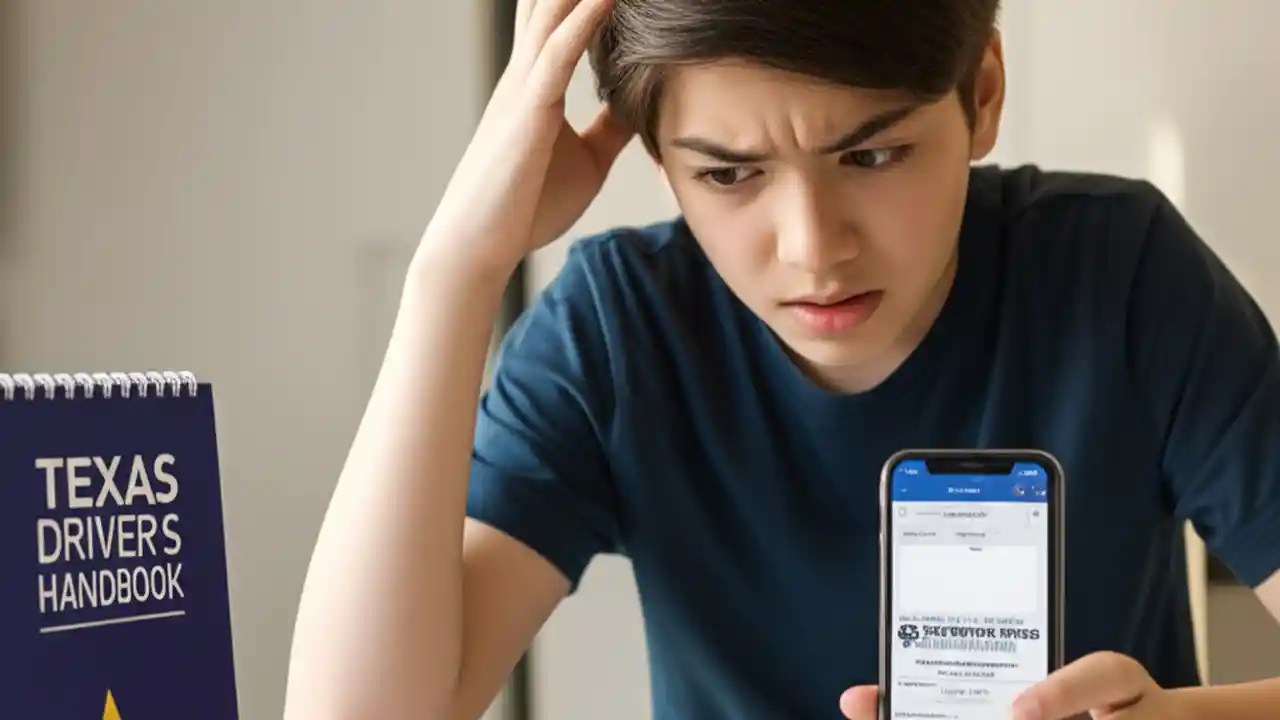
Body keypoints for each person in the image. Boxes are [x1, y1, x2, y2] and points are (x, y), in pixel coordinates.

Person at [283, 0, 1280, 717]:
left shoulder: (1119, 274)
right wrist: (458, 268)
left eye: (870, 156)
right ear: (657, 157)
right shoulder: (615, 332)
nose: (812, 249)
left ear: (980, 94)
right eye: (728, 175)